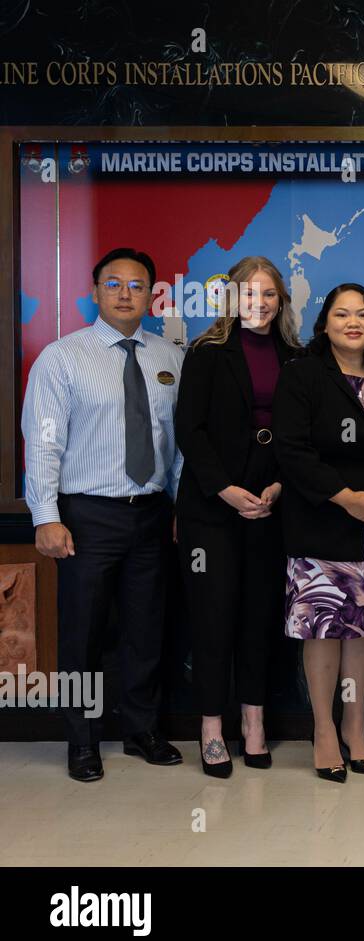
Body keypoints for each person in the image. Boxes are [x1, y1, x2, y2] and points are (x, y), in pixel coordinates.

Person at [22, 247, 185, 782]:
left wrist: (182, 507)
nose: (124, 294)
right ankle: (82, 740)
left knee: (146, 629)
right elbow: (44, 442)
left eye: (137, 285)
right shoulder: (62, 356)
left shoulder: (170, 358)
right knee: (83, 634)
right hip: (87, 515)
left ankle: (141, 731)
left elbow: (178, 445)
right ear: (95, 292)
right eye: (113, 284)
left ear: (151, 295)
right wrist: (46, 516)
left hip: (151, 514)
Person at [272, 283, 364, 782]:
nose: (354, 322)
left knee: (363, 630)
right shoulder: (303, 375)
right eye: (342, 314)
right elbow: (292, 452)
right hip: (323, 525)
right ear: (324, 324)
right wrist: (345, 497)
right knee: (323, 629)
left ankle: (356, 728)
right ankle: (325, 729)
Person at [175, 256, 298, 777]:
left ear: (281, 301)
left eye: (269, 294)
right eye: (249, 294)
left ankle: (253, 723)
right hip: (212, 510)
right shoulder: (206, 353)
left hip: (270, 507)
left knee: (256, 619)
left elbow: (299, 436)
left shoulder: (295, 356)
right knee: (213, 618)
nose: (260, 303)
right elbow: (190, 430)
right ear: (232, 299)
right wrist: (225, 490)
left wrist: (276, 487)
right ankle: (210, 728)